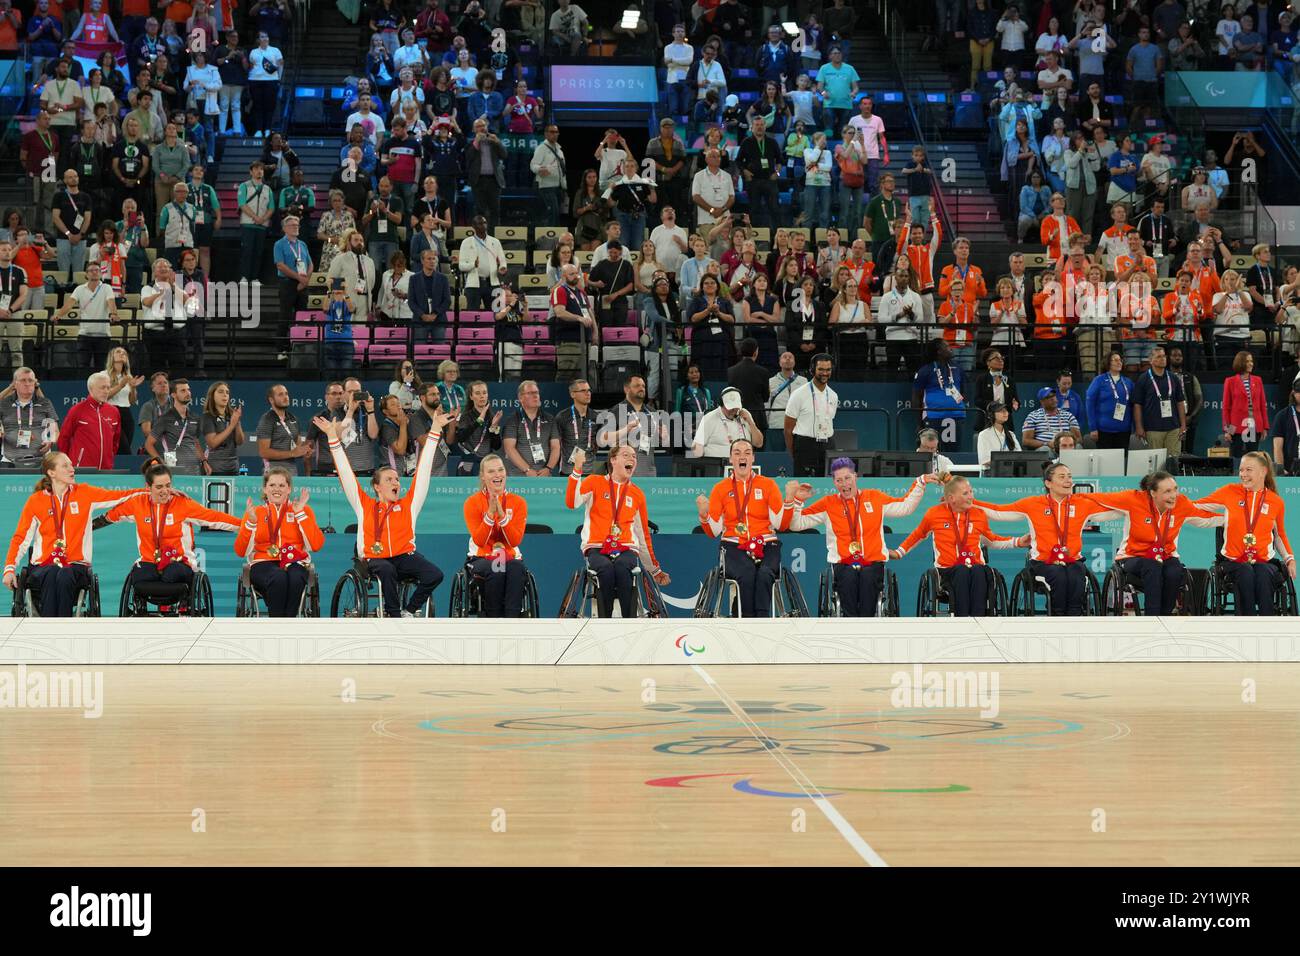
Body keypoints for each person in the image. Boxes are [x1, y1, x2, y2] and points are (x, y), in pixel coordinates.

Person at [314, 410, 449, 618]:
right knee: (386, 570)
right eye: (389, 480)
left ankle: (409, 611)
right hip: (375, 559)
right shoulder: (364, 505)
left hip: (404, 557)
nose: (396, 483)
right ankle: (393, 616)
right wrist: (332, 437)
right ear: (377, 487)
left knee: (435, 574)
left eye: (397, 479)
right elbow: (346, 475)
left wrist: (435, 431)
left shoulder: (409, 505)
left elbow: (423, 473)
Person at [784, 463, 934, 616]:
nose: (844, 484)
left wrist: (921, 482)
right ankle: (852, 623)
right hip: (843, 564)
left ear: (855, 476)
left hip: (872, 562)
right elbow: (796, 524)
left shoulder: (874, 498)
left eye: (847, 478)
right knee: (848, 578)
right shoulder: (828, 504)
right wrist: (797, 501)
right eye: (839, 480)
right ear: (834, 483)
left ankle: (865, 622)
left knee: (868, 577)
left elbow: (905, 507)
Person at [3, 451, 137, 615]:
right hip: (43, 567)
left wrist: (152, 491)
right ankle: (51, 625)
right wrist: (9, 569)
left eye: (72, 465)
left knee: (64, 573)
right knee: (52, 571)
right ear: (51, 473)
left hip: (76, 567)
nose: (72, 469)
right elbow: (21, 538)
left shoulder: (85, 493)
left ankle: (63, 627)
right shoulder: (36, 501)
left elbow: (121, 496)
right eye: (65, 466)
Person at [976, 462, 1114, 614]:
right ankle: (1057, 616)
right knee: (1058, 575)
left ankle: (1075, 618)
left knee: (1076, 575)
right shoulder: (1033, 504)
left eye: (1069, 477)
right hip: (1042, 562)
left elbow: (1115, 511)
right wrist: (969, 503)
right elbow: (998, 512)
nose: (1068, 481)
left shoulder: (1082, 504)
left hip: (1073, 560)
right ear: (1048, 483)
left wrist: (1137, 505)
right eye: (1062, 477)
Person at [1084, 471, 1220, 615]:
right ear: (1153, 493)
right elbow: (1100, 498)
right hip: (1132, 557)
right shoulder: (1134, 499)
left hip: (1166, 556)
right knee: (1152, 566)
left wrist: (1232, 520)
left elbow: (1207, 518)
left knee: (1174, 571)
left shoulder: (1181, 504)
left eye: (1175, 489)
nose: (1173, 495)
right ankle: (1152, 617)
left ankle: (1164, 616)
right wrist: (1071, 499)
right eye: (1167, 491)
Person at [892, 475, 1027, 616]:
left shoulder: (979, 514)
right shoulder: (934, 514)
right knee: (962, 571)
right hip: (948, 572)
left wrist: (1017, 542)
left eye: (971, 492)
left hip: (975, 569)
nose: (971, 496)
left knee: (979, 571)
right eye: (965, 493)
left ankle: (979, 619)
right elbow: (918, 535)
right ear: (951, 498)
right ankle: (962, 619)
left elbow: (992, 540)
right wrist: (899, 552)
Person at [103, 459, 240, 593]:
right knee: (141, 575)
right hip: (149, 561)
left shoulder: (182, 504)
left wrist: (245, 525)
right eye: (159, 487)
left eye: (168, 486)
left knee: (171, 574)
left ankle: (179, 606)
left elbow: (214, 517)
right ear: (148, 487)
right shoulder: (137, 504)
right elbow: (111, 516)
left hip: (179, 561)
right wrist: (87, 526)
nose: (165, 491)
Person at [566, 444, 668, 618]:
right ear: (613, 460)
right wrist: (577, 470)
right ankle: (606, 622)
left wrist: (654, 569)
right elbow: (571, 502)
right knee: (605, 569)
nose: (632, 459)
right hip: (597, 547)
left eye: (634, 457)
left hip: (626, 548)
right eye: (626, 455)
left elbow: (643, 536)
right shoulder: (594, 482)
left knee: (623, 568)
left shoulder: (637, 494)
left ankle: (629, 621)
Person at [697, 438, 793, 618]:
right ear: (731, 459)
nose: (743, 457)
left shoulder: (768, 485)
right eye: (737, 453)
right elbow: (714, 531)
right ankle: (747, 621)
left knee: (765, 574)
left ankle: (761, 620)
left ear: (753, 459)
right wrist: (704, 516)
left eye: (747, 453)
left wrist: (789, 500)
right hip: (733, 545)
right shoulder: (720, 489)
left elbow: (781, 524)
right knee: (746, 573)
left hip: (766, 543)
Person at [1195, 452, 1295, 616]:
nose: (1243, 474)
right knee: (1245, 571)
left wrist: (1289, 559)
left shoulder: (1275, 501)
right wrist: (1172, 503)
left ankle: (1267, 623)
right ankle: (1246, 622)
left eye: (1248, 470)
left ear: (1263, 471)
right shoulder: (1230, 491)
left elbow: (1279, 535)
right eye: (1241, 470)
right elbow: (1198, 507)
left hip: (1264, 560)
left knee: (1263, 573)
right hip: (1233, 562)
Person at [235, 465, 325, 617]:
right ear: (265, 489)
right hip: (263, 564)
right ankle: (278, 622)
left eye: (282, 485)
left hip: (295, 562)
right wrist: (251, 523)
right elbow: (240, 551)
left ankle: (287, 622)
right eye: (272, 485)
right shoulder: (255, 513)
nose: (277, 489)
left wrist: (300, 514)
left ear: (289, 489)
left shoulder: (303, 510)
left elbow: (316, 545)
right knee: (278, 577)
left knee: (295, 577)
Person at [460, 453, 528, 618]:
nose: (497, 475)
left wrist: (503, 516)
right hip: (481, 557)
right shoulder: (472, 502)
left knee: (517, 568)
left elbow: (515, 540)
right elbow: (479, 540)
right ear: (483, 477)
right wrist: (490, 514)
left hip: (510, 557)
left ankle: (511, 620)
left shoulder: (518, 502)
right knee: (496, 568)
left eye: (500, 470)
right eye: (491, 471)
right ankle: (494, 618)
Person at [784, 354, 837, 477]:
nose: (825, 373)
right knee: (803, 488)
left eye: (828, 370)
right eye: (821, 369)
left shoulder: (833, 396)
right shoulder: (799, 394)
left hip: (828, 445)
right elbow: (787, 429)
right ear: (812, 369)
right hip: (804, 445)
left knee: (827, 486)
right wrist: (794, 454)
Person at [1132, 344, 1187, 458]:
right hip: (1153, 428)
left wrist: (1183, 425)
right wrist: (1139, 426)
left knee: (1174, 460)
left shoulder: (1173, 377)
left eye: (1164, 356)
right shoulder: (1143, 379)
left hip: (1173, 427)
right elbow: (1137, 405)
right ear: (1150, 360)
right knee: (1156, 462)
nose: (1162, 359)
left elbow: (1180, 402)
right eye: (1158, 357)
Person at [58, 370, 120, 469]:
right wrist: (67, 463)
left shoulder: (114, 411)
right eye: (102, 387)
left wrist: (108, 457)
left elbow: (115, 441)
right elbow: (64, 438)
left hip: (106, 469)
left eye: (108, 387)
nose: (106, 391)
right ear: (91, 389)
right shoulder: (77, 410)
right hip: (81, 468)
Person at [0, 367, 58, 468]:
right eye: (23, 380)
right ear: (15, 384)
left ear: (35, 383)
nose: (27, 383)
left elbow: (54, 429)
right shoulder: (4, 404)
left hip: (42, 461)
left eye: (30, 380)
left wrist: (51, 440)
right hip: (10, 461)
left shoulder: (45, 403)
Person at [502, 379, 559, 477]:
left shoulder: (550, 419)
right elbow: (509, 448)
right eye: (530, 393)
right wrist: (527, 470)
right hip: (519, 475)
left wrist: (549, 468)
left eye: (536, 392)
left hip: (544, 475)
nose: (535, 395)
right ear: (520, 398)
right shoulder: (512, 420)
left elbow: (556, 446)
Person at [691, 387, 763, 459]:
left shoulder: (745, 415)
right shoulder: (709, 418)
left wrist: (750, 422)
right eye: (730, 407)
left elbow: (759, 444)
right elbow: (696, 450)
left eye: (736, 407)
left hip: (743, 465)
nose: (734, 410)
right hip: (719, 466)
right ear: (721, 404)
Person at [1221, 350, 1267, 462]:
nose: (1251, 363)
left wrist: (1264, 427)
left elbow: (1262, 405)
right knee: (1237, 458)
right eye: (1247, 361)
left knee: (1253, 458)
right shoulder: (1230, 381)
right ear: (1240, 363)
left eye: (1252, 361)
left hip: (1254, 425)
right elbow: (1226, 407)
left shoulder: (1258, 380)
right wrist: (1227, 430)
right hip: (1236, 427)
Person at [1085, 350, 1134, 449]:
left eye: (1120, 360)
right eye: (1115, 360)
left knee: (1121, 461)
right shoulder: (1099, 380)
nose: (1119, 362)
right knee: (1105, 461)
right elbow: (1089, 403)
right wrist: (1093, 428)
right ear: (1108, 363)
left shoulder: (1128, 382)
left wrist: (1134, 427)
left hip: (1124, 431)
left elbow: (1133, 405)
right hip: (1104, 431)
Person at [554, 378, 597, 474]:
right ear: (572, 394)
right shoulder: (562, 417)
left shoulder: (595, 416)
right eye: (583, 390)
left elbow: (597, 443)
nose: (588, 393)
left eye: (589, 390)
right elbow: (556, 444)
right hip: (568, 471)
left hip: (589, 472)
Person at [201, 380, 244, 476]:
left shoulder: (232, 415)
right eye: (220, 392)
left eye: (227, 392)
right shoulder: (208, 417)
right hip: (215, 468)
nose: (225, 395)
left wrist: (237, 422)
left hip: (233, 468)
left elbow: (240, 441)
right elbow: (212, 443)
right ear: (212, 395)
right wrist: (232, 425)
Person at [726, 337, 769, 431]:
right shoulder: (763, 372)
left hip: (738, 416)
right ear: (755, 352)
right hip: (757, 418)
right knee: (758, 445)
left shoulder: (731, 371)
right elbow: (766, 397)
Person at [977, 402, 1022, 469]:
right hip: (992, 473)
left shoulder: (1011, 434)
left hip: (1011, 472)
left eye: (1006, 410)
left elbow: (1020, 456)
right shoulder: (984, 435)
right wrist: (1007, 461)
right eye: (1001, 411)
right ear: (991, 415)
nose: (1005, 413)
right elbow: (984, 461)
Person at [1269, 381, 1300, 476]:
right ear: (1293, 393)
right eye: (1299, 392)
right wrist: (1280, 469)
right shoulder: (1282, 416)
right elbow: (1277, 447)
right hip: (1290, 470)